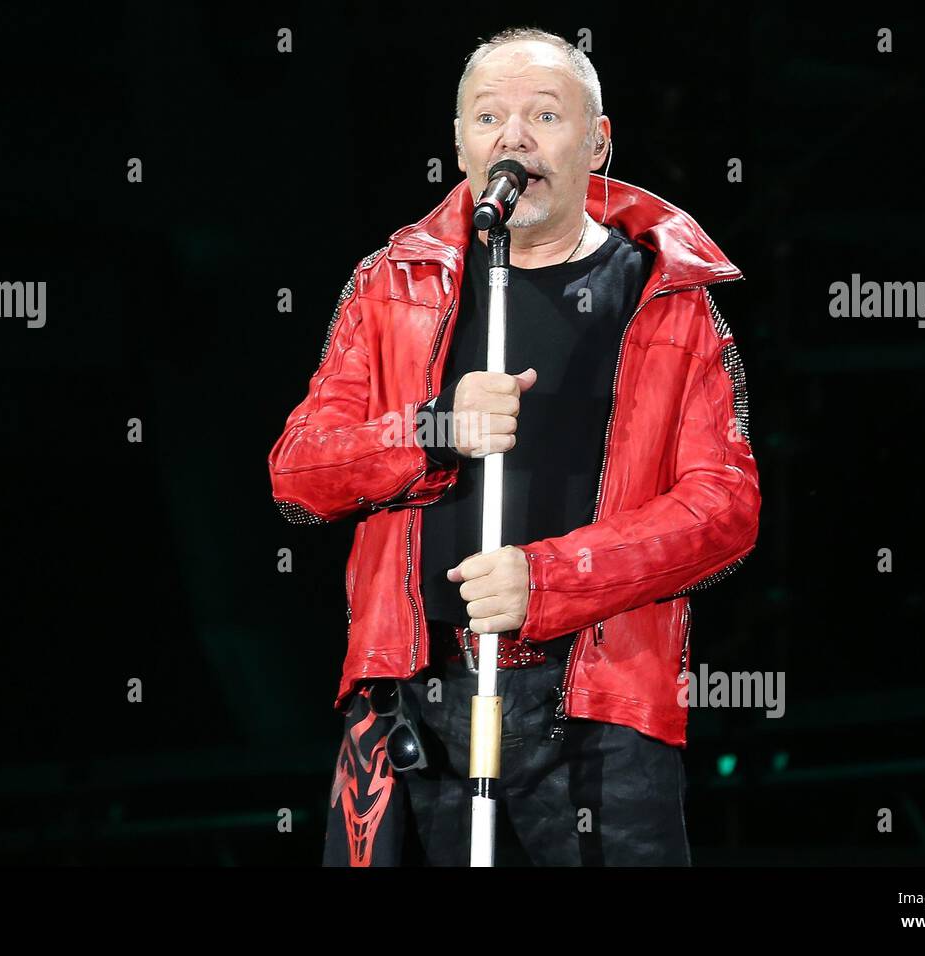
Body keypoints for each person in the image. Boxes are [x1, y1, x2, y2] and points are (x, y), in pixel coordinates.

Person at [268, 27, 761, 866]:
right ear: (459, 142)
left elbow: (724, 508)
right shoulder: (392, 283)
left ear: (598, 141)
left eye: (545, 114)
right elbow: (300, 473)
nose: (514, 139)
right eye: (489, 116)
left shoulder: (667, 297)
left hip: (598, 707)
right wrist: (432, 430)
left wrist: (549, 579)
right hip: (415, 701)